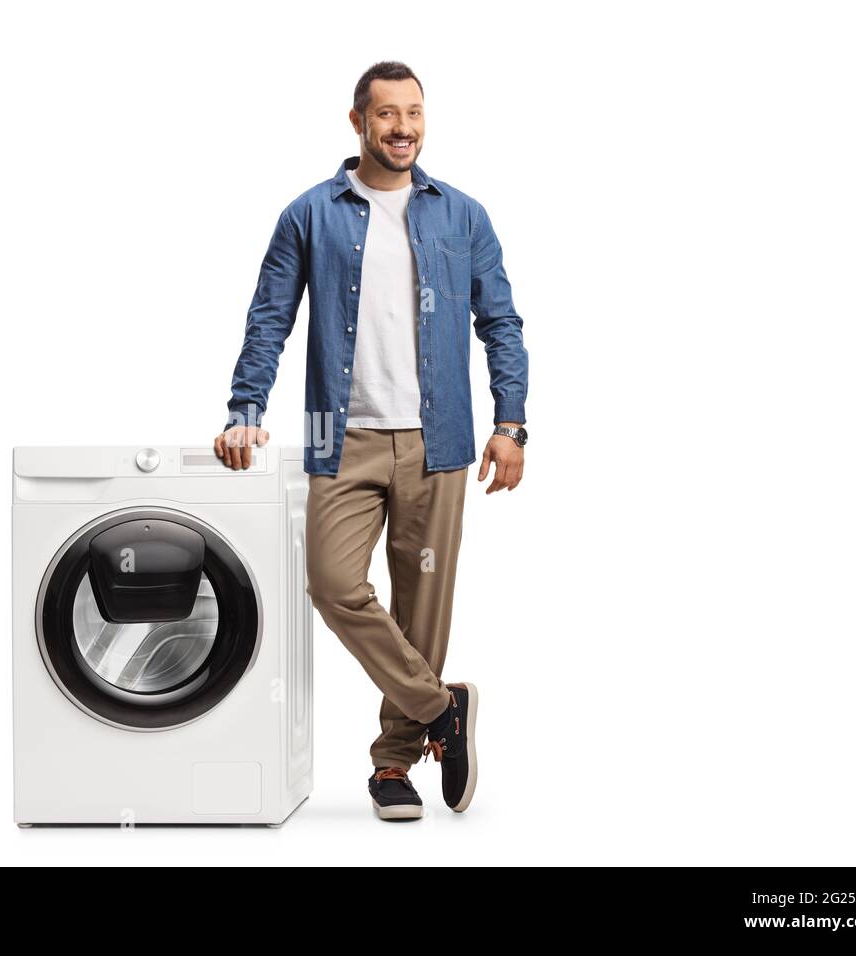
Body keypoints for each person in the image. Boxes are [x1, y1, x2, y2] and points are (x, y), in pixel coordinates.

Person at [213, 61, 529, 820]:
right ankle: (438, 706)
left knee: (421, 604)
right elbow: (269, 319)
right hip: (339, 435)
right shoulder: (309, 214)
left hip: (438, 438)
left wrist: (510, 422)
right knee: (332, 582)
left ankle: (394, 766)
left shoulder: (462, 215)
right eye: (387, 114)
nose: (403, 128)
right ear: (357, 122)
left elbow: (501, 323)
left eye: (414, 113)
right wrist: (243, 407)